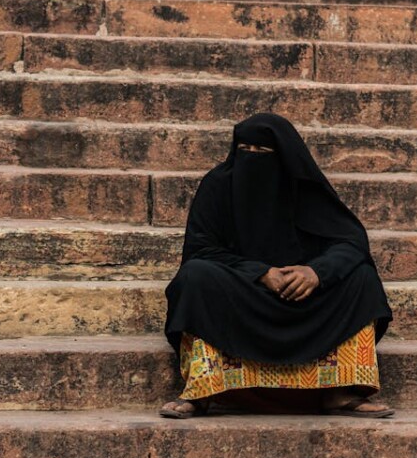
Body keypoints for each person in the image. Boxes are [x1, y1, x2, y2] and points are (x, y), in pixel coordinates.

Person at [159, 113, 394, 420]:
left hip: (304, 297)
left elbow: (351, 242)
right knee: (195, 276)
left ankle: (339, 392)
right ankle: (203, 390)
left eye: (264, 153)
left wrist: (316, 273)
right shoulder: (219, 185)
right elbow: (201, 249)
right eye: (246, 150)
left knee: (362, 278)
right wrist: (259, 273)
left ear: (284, 158)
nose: (253, 159)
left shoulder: (304, 189)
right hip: (245, 292)